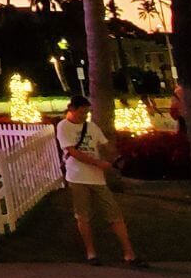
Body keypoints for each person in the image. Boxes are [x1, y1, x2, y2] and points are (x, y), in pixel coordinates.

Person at [56, 95, 144, 268]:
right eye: (82, 112)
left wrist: (117, 157)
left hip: (97, 179)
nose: (84, 116)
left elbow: (104, 144)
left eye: (87, 113)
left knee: (114, 214)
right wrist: (98, 163)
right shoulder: (63, 126)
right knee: (83, 216)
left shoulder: (91, 126)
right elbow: (72, 152)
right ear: (72, 110)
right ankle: (91, 253)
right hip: (77, 177)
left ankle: (129, 254)